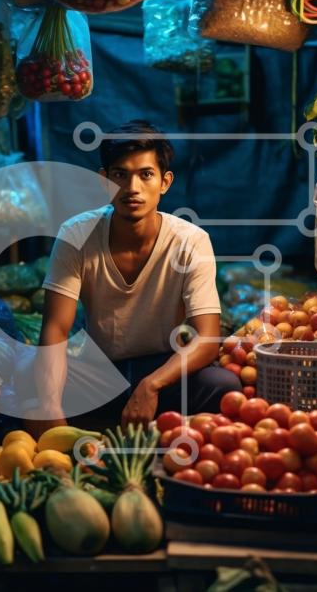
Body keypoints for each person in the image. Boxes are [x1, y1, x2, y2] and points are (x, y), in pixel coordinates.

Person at [27, 119, 241, 437]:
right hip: (98, 371)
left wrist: (150, 386)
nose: (132, 188)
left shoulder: (190, 241)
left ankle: (141, 419)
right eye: (120, 175)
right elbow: (56, 328)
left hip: (164, 369)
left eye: (146, 175)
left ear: (165, 182)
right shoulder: (76, 234)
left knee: (222, 385)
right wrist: (49, 402)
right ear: (104, 181)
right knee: (28, 377)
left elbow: (206, 338)